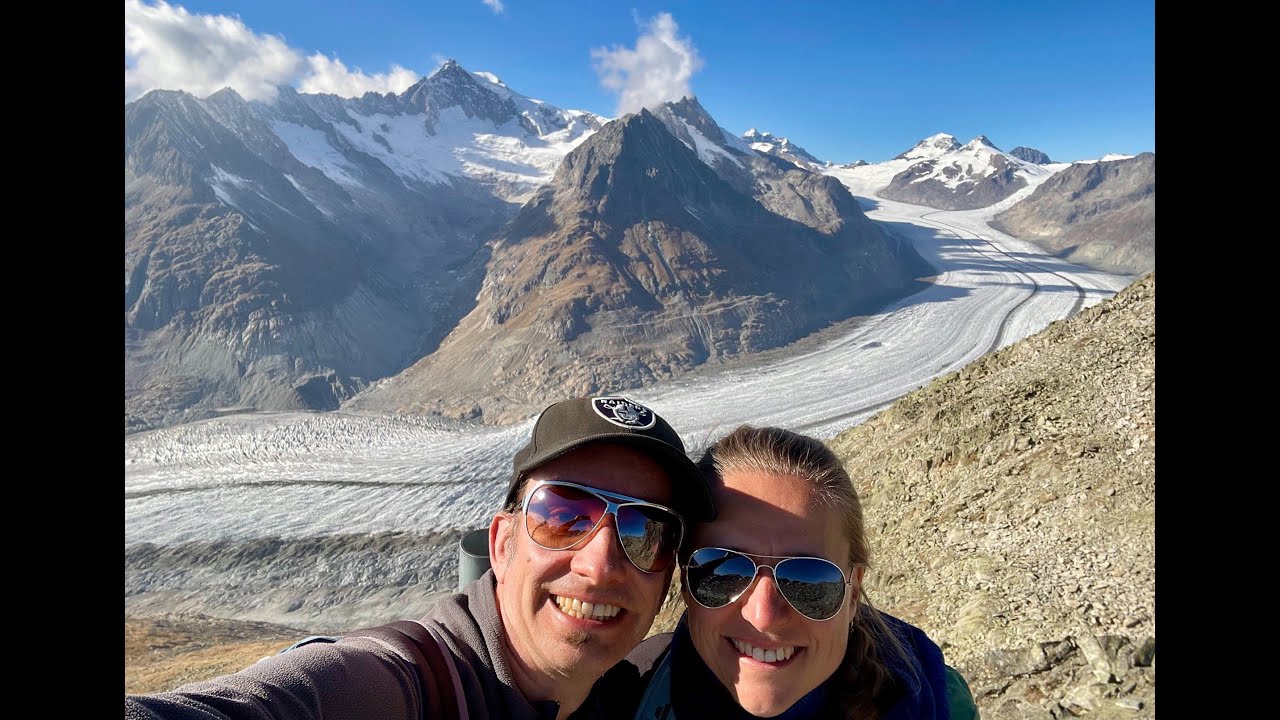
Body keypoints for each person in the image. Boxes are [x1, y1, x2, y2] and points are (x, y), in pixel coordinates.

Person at [125, 395, 715, 720]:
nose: (601, 563)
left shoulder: (635, 694)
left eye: (647, 532)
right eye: (563, 516)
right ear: (502, 544)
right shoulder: (405, 685)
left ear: (669, 578)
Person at [628, 424, 979, 719]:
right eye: (723, 571)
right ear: (687, 583)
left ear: (853, 593)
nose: (764, 616)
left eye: (808, 580)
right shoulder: (626, 688)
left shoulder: (943, 705)